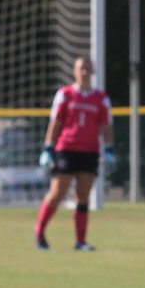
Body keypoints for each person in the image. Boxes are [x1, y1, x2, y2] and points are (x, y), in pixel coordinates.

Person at [34, 56, 112, 251]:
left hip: (90, 152)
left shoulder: (101, 98)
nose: (84, 72)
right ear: (75, 71)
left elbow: (106, 126)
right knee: (58, 192)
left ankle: (81, 241)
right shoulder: (65, 94)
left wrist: (109, 149)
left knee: (83, 195)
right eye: (81, 68)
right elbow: (56, 122)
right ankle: (40, 231)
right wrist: (48, 148)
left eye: (87, 68)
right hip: (66, 150)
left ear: (93, 71)